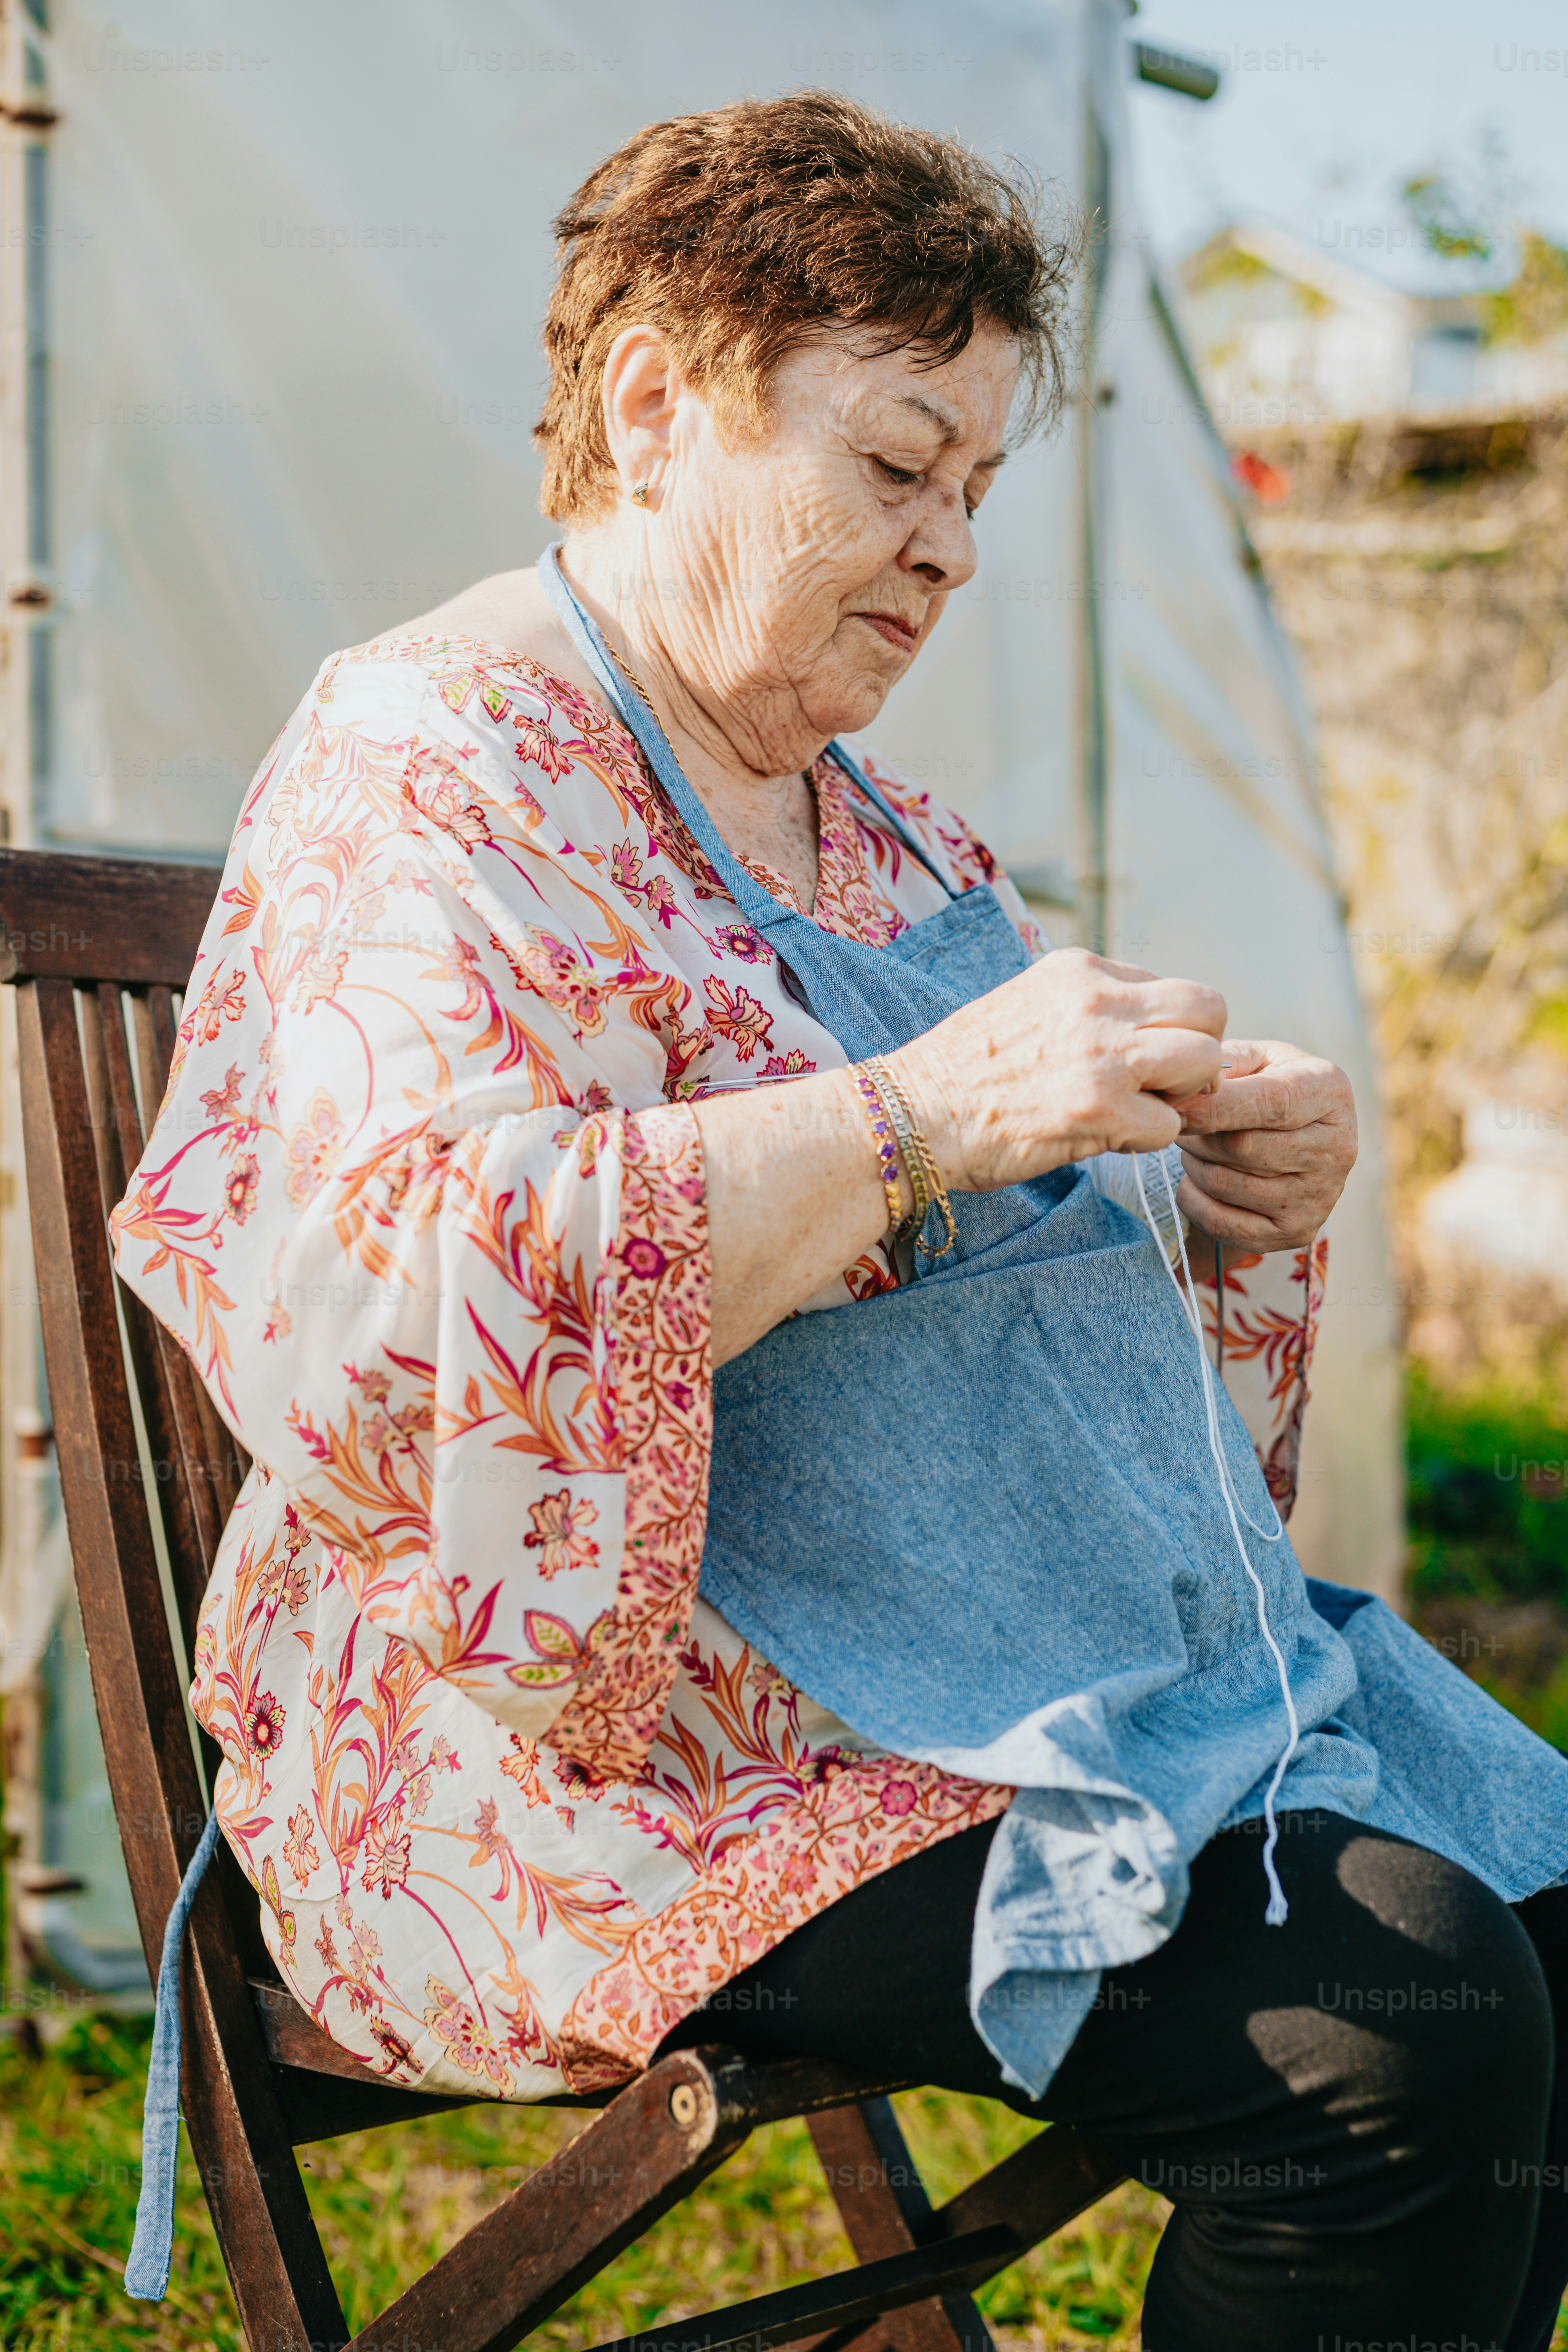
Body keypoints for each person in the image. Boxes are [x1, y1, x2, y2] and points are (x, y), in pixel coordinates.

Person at [112, 92, 1568, 2350]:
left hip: (951, 1680)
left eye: (977, 489)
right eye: (899, 467)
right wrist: (911, 1118)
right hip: (590, 1759)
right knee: (1394, 2040)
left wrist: (1219, 1208)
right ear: (658, 404)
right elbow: (394, 1300)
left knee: (1547, 1934)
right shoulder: (429, 761)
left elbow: (1029, 1318)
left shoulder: (887, 835)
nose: (953, 545)